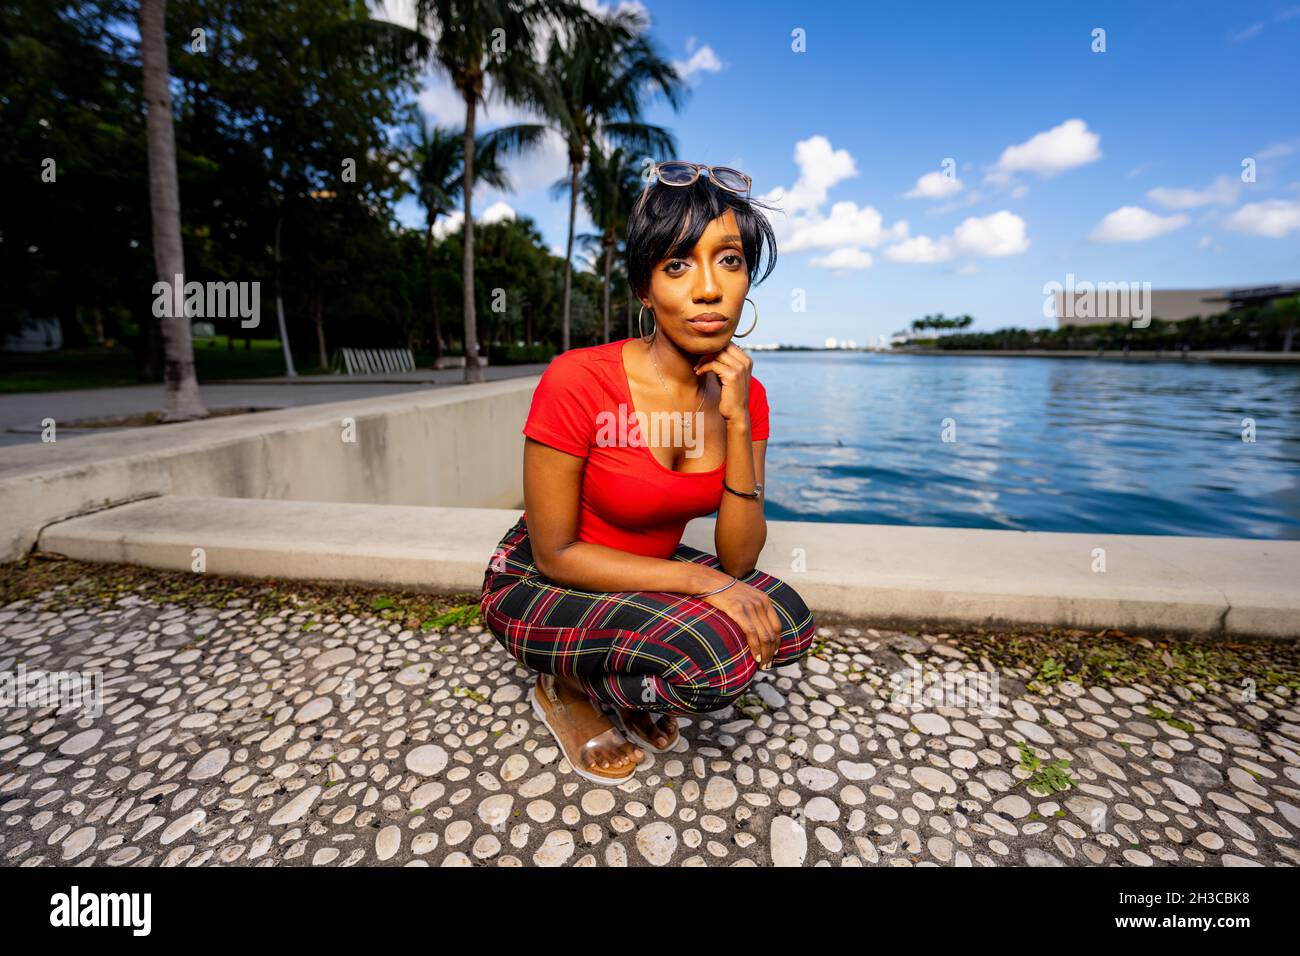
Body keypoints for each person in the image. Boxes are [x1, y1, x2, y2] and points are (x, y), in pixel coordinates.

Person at [479, 161, 816, 784]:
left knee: (789, 622)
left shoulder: (748, 394)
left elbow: (738, 559)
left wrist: (738, 421)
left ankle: (626, 685)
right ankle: (566, 687)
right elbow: (555, 552)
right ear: (644, 288)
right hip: (540, 576)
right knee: (713, 664)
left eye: (730, 260)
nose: (709, 288)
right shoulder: (578, 379)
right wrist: (702, 585)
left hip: (644, 580)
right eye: (678, 265)